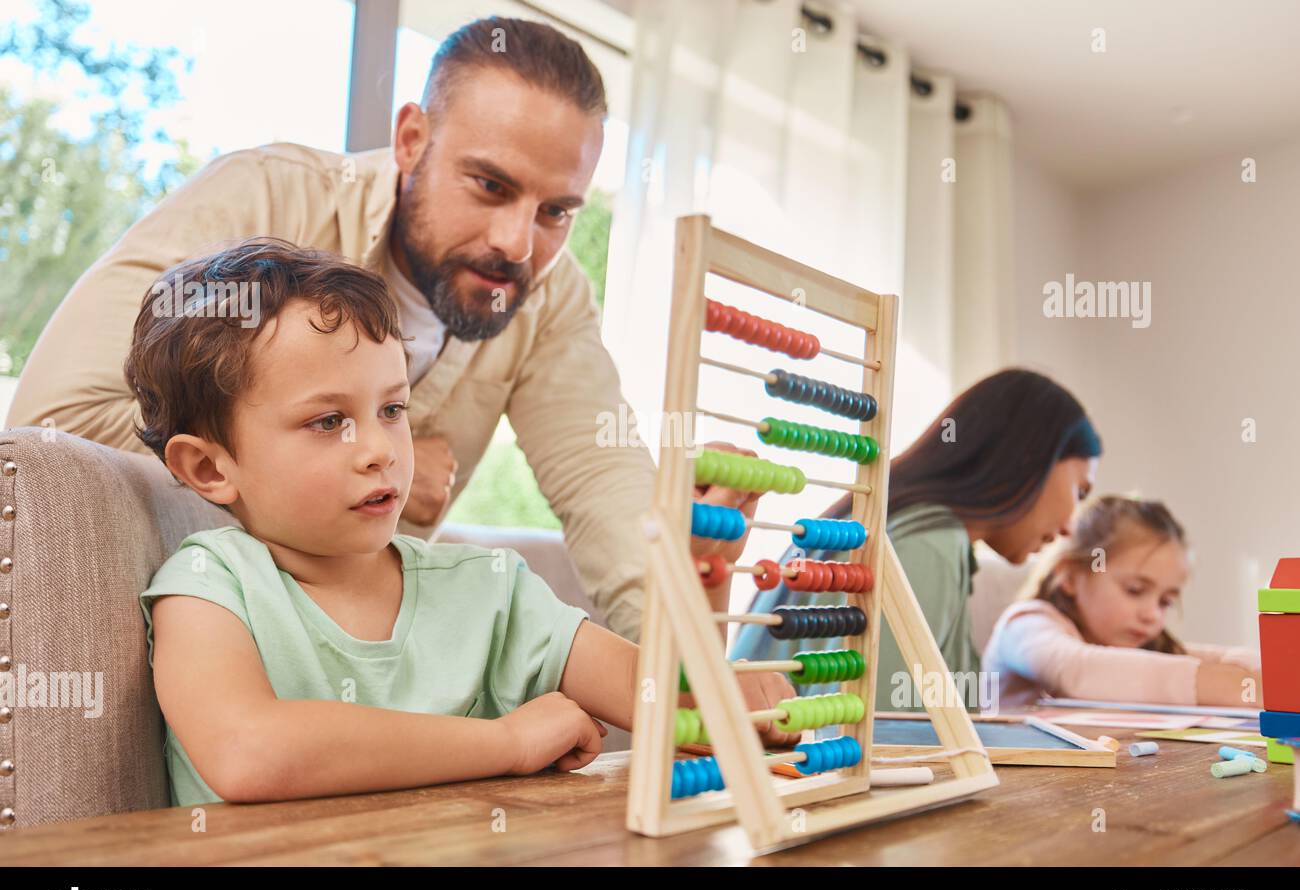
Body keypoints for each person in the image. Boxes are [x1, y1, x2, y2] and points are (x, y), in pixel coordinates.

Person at [7, 17, 657, 640]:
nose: (518, 244)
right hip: (181, 645)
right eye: (490, 185)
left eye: (556, 211)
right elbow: (52, 428)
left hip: (358, 659)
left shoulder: (552, 292)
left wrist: (687, 674)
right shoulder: (264, 196)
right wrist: (339, 460)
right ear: (411, 139)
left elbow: (607, 489)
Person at [129, 239, 797, 806]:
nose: (380, 449)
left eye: (392, 409)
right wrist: (504, 743)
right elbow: (249, 752)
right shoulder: (209, 588)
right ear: (211, 469)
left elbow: (662, 696)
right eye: (328, 420)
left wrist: (713, 613)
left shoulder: (491, 589)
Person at [731, 369, 1103, 713]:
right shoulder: (928, 544)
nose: (1070, 527)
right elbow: (876, 730)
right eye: (1080, 491)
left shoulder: (916, 528)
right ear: (1030, 457)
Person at [984, 495, 1261, 708]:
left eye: (1165, 601)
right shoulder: (1025, 625)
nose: (1152, 615)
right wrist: (1229, 685)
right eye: (1135, 590)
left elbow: (1188, 655)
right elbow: (1076, 670)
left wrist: (1258, 667)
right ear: (1069, 576)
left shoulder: (1115, 640)